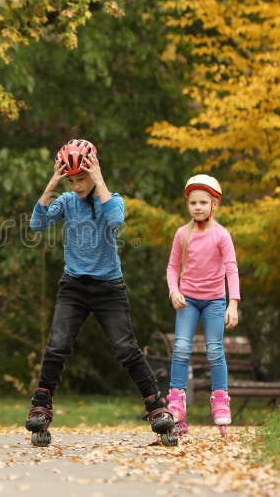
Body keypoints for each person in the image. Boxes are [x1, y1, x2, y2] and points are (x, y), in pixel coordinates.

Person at [25, 138, 176, 447]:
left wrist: (99, 180)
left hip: (109, 288)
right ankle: (41, 407)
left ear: (93, 173)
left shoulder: (113, 199)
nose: (78, 185)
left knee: (126, 348)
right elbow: (36, 223)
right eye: (73, 179)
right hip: (74, 287)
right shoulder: (66, 201)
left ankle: (157, 408)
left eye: (82, 178)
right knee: (56, 346)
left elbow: (115, 220)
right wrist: (54, 182)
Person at [165, 174, 240, 436]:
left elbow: (231, 269)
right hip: (188, 300)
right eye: (193, 202)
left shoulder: (222, 235)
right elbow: (173, 267)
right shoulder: (182, 234)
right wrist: (173, 291)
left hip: (215, 302)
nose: (197, 207)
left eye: (203, 202)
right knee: (182, 347)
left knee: (214, 349)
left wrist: (233, 303)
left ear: (214, 205)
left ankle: (220, 401)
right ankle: (176, 401)